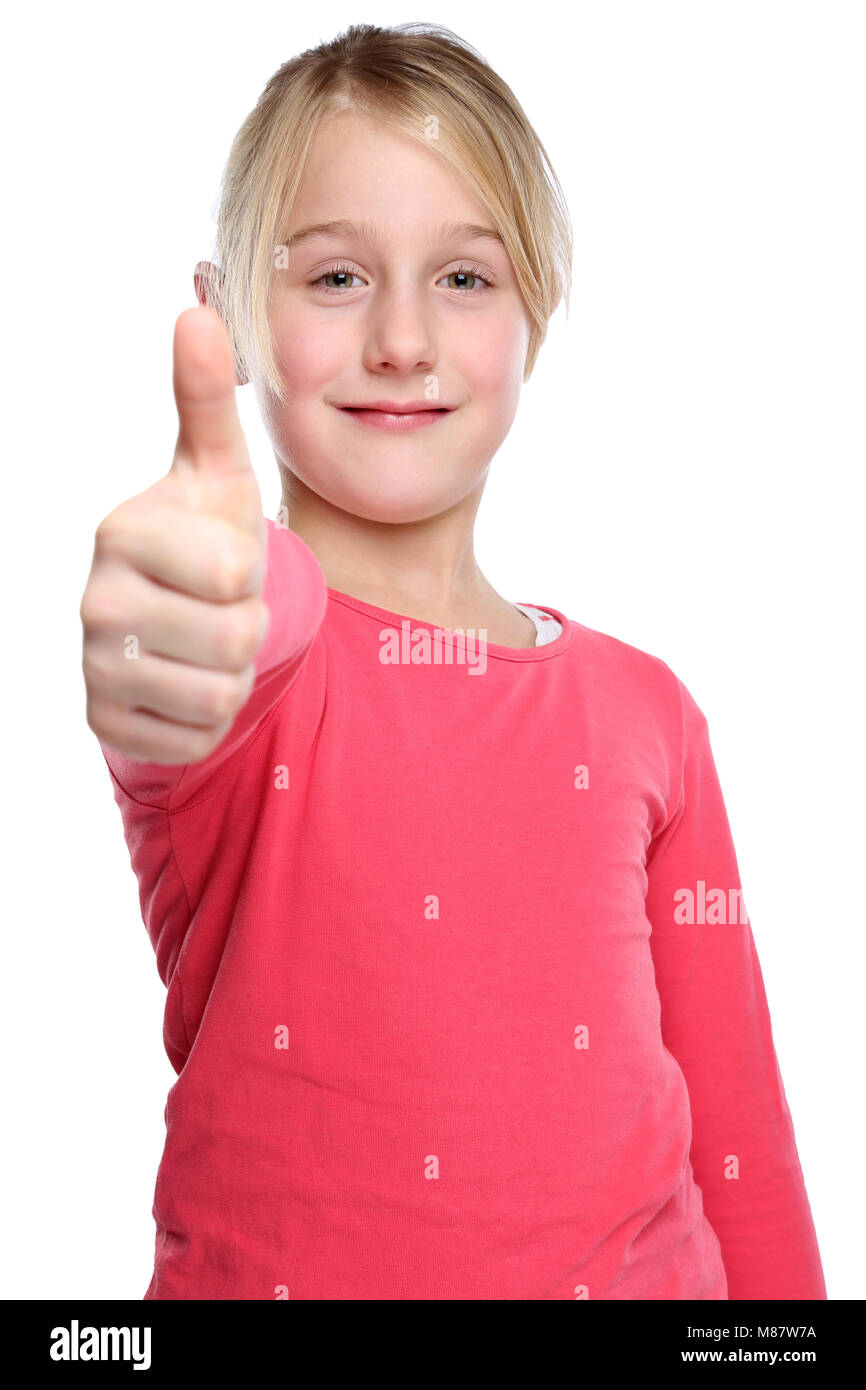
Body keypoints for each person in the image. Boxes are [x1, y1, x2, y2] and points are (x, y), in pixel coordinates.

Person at [79, 22, 826, 1300]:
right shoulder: (255, 651)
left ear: (536, 306)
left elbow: (742, 1146)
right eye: (333, 278)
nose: (403, 342)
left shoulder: (650, 714)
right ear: (230, 317)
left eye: (465, 279)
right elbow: (205, 646)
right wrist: (167, 625)